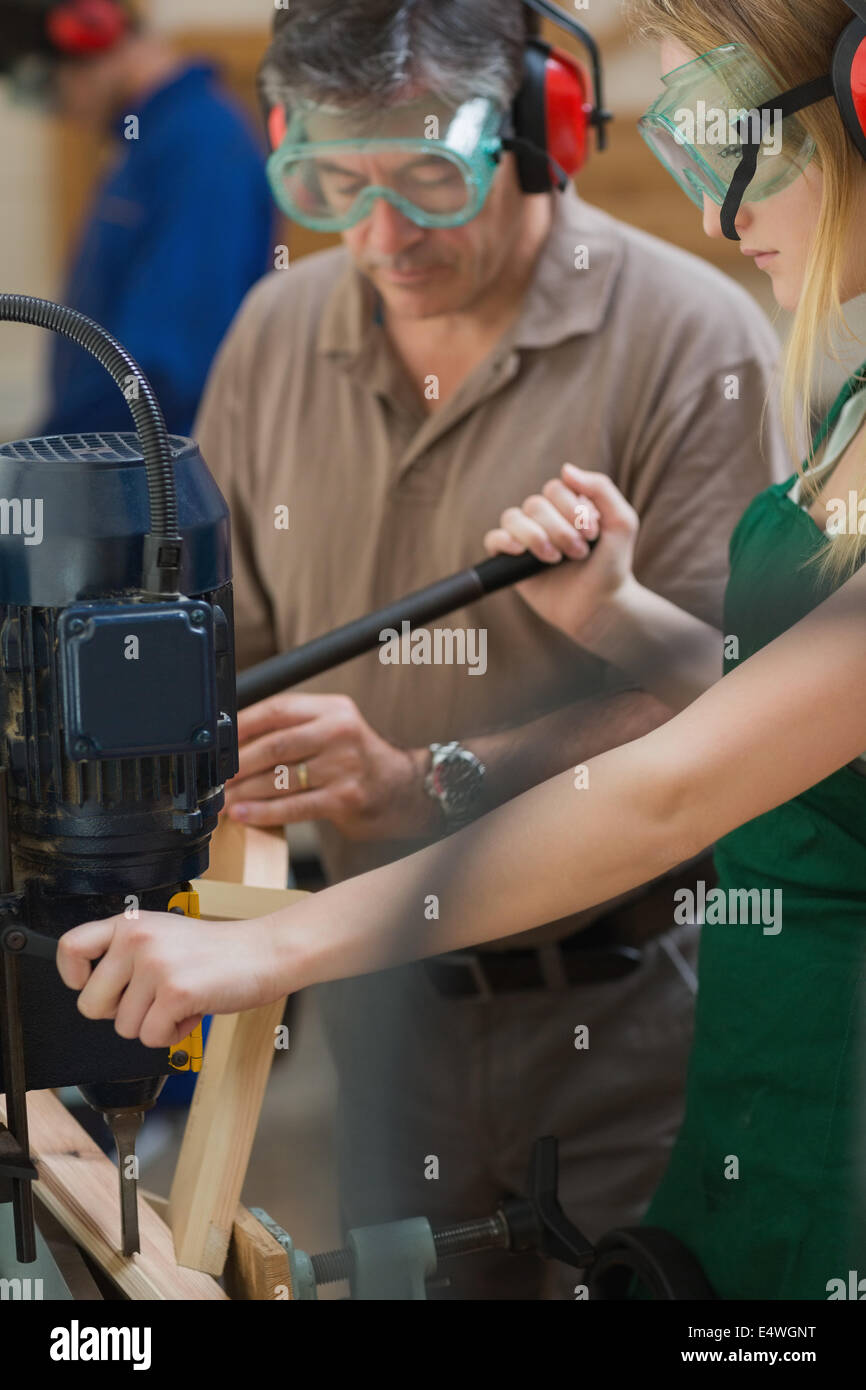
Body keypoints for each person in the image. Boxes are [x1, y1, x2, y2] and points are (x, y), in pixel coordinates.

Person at [65, 0, 866, 1303]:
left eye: (427, 177)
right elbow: (757, 682)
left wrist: (390, 815)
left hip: (654, 1001)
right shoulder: (275, 333)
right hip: (404, 995)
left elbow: (682, 778)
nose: (377, 234)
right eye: (329, 181)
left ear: (540, 136)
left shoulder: (698, 338)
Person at [0, 0, 275, 437]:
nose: (60, 109)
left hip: (151, 471)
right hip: (112, 460)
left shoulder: (200, 144)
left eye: (47, 84)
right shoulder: (145, 139)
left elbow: (167, 363)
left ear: (93, 32)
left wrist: (53, 455)